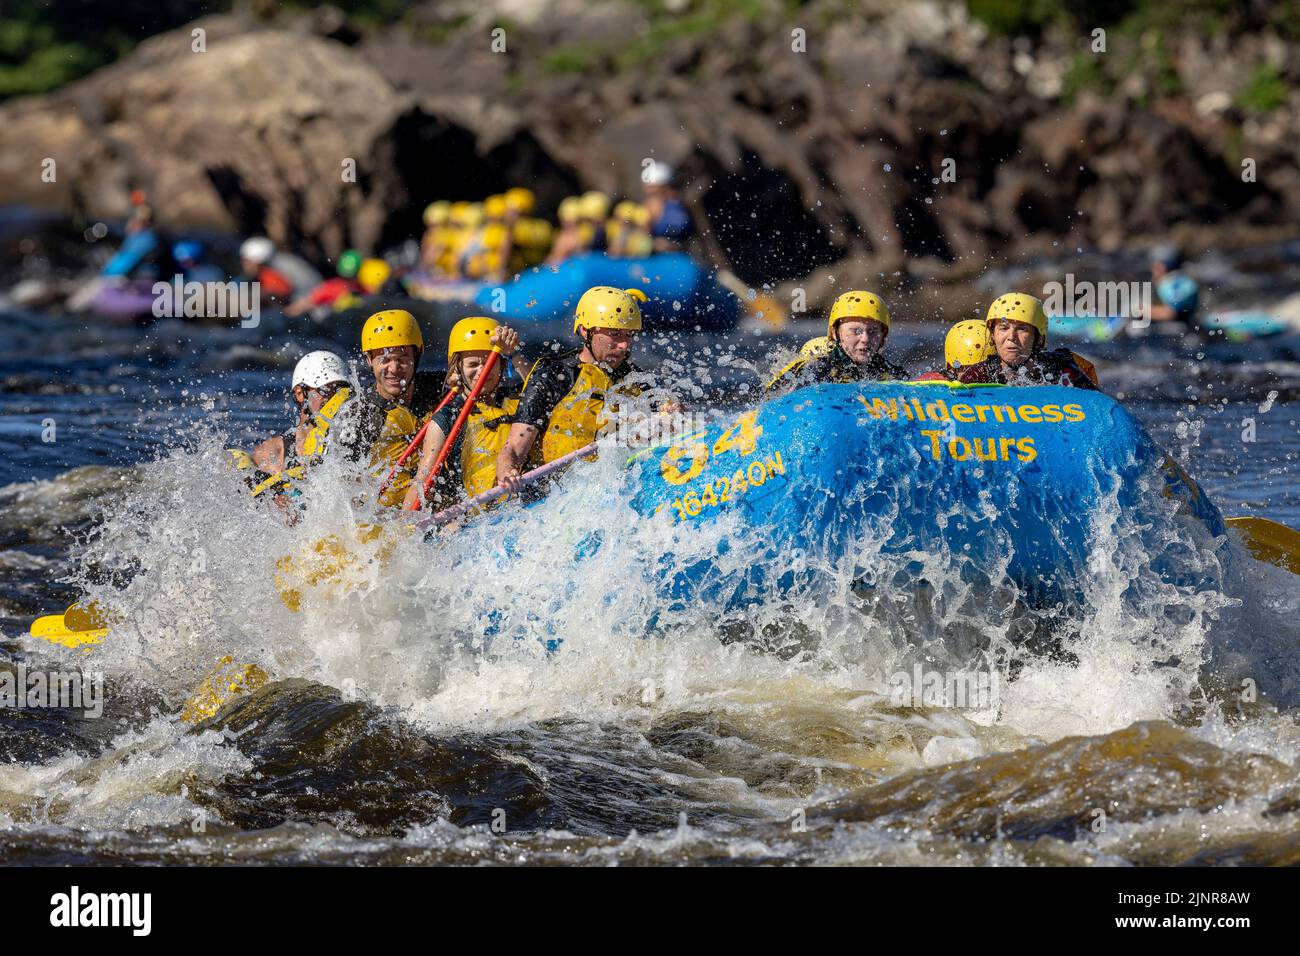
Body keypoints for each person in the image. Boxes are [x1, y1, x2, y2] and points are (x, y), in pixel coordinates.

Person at [495, 286, 647, 494]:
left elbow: (669, 422)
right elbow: (513, 448)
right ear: (586, 331)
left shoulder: (635, 379)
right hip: (555, 496)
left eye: (629, 335)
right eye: (615, 334)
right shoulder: (554, 375)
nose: (623, 345)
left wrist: (673, 413)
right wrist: (507, 471)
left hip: (616, 490)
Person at [401, 317, 529, 512]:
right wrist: (404, 526)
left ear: (502, 365)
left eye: (489, 362)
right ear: (458, 368)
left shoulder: (518, 398)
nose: (481, 371)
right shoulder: (446, 419)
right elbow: (422, 480)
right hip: (476, 519)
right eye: (473, 365)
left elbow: (544, 388)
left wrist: (514, 353)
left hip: (525, 503)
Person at [331, 309, 446, 507]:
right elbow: (340, 486)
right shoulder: (358, 415)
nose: (393, 369)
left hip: (436, 508)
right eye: (384, 360)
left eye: (402, 359)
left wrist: (513, 356)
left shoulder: (439, 388)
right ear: (369, 360)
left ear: (417, 355)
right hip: (386, 517)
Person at [766, 290, 908, 393]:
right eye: (856, 331)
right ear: (835, 333)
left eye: (873, 332)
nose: (865, 339)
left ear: (883, 336)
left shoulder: (888, 371)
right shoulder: (816, 369)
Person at [957, 293, 1098, 389]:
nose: (1011, 336)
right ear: (993, 336)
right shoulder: (978, 376)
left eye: (1022, 329)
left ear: (1039, 339)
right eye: (1003, 328)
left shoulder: (1060, 371)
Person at [249, 350, 353, 480]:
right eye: (326, 390)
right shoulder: (272, 453)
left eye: (340, 391)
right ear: (300, 394)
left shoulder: (350, 446)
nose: (336, 398)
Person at [284, 249, 364, 317]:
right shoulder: (333, 287)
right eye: (346, 277)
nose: (349, 281)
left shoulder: (363, 289)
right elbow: (307, 302)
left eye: (351, 276)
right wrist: (288, 313)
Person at [915, 320, 993, 381]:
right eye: (966, 369)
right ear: (951, 369)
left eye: (983, 370)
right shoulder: (936, 382)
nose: (974, 376)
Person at [642, 162, 694, 251]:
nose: (648, 191)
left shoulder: (681, 203)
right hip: (667, 256)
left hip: (676, 256)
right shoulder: (682, 202)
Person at [1147, 245, 1200, 331]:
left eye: (1154, 266)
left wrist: (1141, 310)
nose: (1151, 270)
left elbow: (1170, 313)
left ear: (1162, 266)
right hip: (1187, 326)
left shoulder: (1171, 283)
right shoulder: (1180, 279)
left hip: (1184, 330)